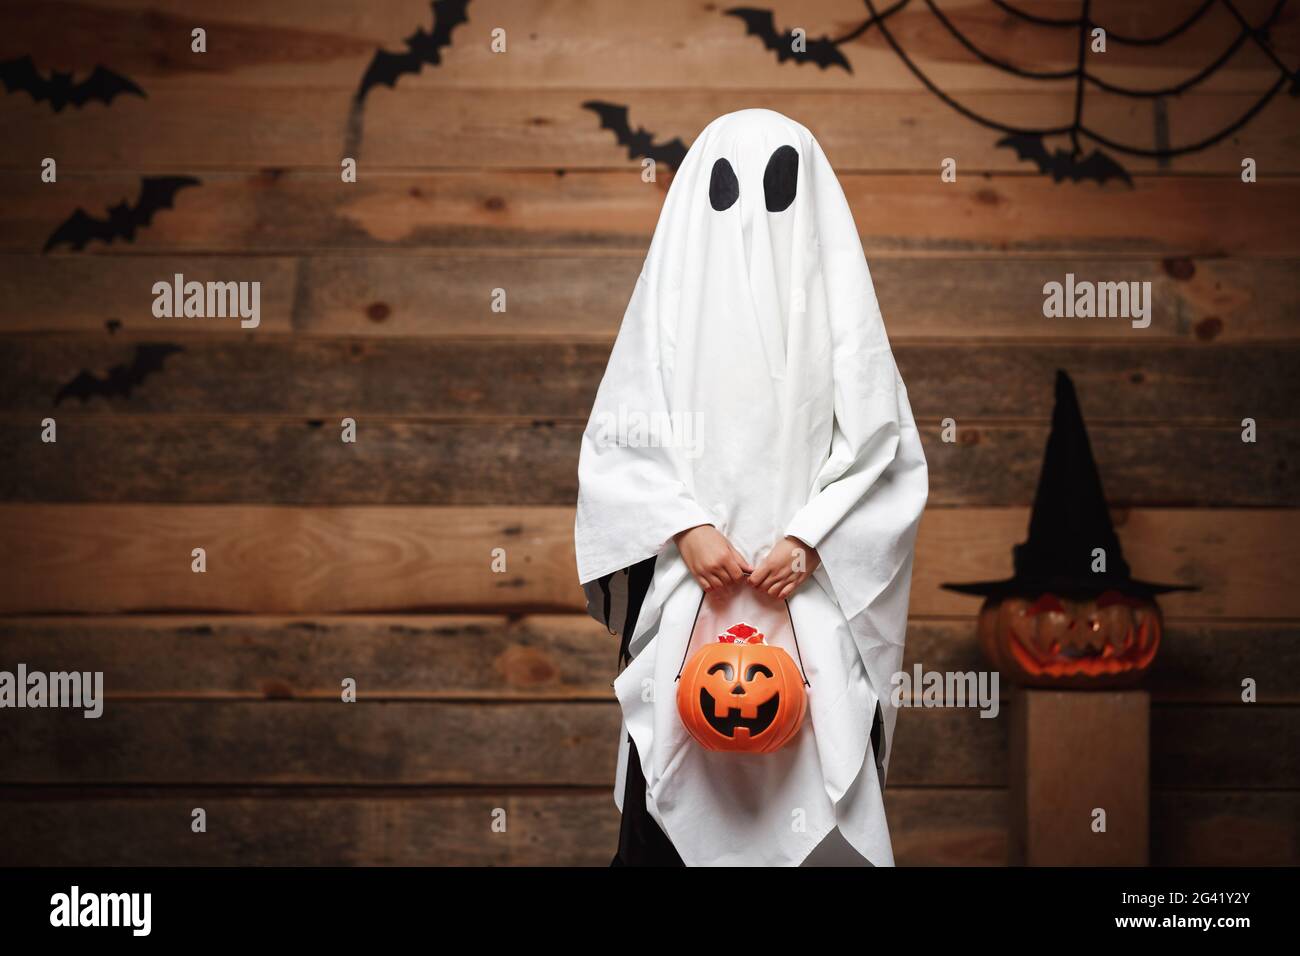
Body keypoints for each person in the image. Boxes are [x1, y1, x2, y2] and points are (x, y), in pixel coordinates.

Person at [576, 109, 928, 866]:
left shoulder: (840, 314)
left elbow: (883, 454)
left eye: (777, 187)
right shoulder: (669, 306)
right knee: (669, 806)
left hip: (809, 610)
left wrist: (810, 540)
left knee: (817, 810)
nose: (752, 222)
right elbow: (621, 440)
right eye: (727, 189)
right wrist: (685, 526)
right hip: (685, 604)